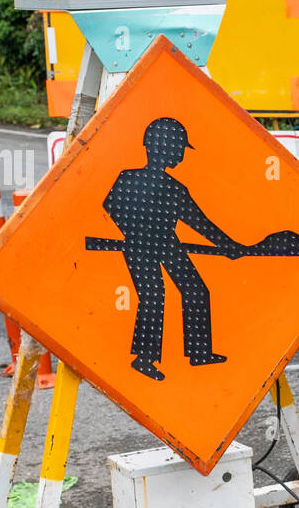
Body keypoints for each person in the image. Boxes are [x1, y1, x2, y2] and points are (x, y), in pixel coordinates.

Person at [102, 117, 246, 381]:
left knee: (196, 290)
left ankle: (199, 352)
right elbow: (111, 206)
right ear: (162, 147)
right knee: (154, 295)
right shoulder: (129, 178)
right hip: (140, 245)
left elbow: (200, 223)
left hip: (167, 242)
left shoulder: (176, 188)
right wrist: (134, 232)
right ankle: (144, 359)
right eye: (178, 147)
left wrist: (229, 246)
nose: (180, 154)